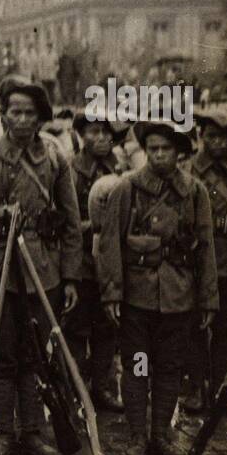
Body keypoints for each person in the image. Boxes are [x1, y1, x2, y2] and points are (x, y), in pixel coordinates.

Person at [0, 76, 82, 455]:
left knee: (36, 357)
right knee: (2, 353)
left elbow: (71, 222)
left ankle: (33, 432)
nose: (23, 119)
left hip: (44, 270)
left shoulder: (56, 157)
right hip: (1, 272)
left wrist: (71, 276)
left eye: (31, 112)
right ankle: (5, 434)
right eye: (15, 111)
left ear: (41, 116)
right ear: (3, 114)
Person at [97, 120, 218, 455]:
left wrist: (209, 299)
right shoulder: (127, 188)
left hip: (179, 296)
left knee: (169, 368)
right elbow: (110, 245)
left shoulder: (194, 192)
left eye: (166, 149)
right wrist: (111, 293)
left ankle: (161, 435)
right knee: (137, 365)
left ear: (179, 153)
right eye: (153, 149)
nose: (160, 155)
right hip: (137, 297)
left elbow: (206, 247)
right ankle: (137, 437)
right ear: (145, 151)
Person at [179, 109, 227, 413]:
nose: (218, 143)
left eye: (224, 138)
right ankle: (195, 387)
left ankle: (222, 388)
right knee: (194, 328)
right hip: (197, 262)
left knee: (226, 329)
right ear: (201, 137)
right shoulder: (188, 171)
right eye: (212, 137)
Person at [65, 110, 127, 411]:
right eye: (93, 131)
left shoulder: (122, 168)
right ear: (80, 135)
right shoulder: (71, 170)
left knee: (108, 330)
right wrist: (94, 224)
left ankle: (103, 388)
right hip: (81, 262)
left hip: (112, 263)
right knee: (77, 329)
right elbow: (66, 218)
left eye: (106, 132)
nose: (101, 138)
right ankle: (76, 390)